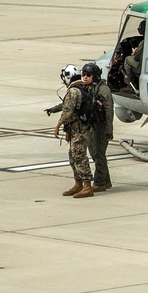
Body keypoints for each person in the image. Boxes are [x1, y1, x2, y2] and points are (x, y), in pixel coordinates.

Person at [53, 64, 97, 199]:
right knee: (73, 157)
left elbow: (68, 111)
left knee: (79, 156)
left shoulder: (73, 91)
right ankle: (78, 183)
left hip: (80, 129)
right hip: (76, 129)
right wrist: (53, 109)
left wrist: (58, 125)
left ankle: (87, 186)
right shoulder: (80, 89)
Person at [83, 62, 115, 192]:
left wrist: (109, 130)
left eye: (88, 75)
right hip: (92, 126)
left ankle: (100, 182)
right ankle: (106, 181)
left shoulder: (103, 90)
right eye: (84, 75)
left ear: (95, 76)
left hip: (101, 127)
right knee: (95, 153)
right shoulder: (88, 89)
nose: (85, 77)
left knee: (98, 154)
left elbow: (109, 111)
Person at [123, 20, 145, 92]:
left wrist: (134, 52)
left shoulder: (143, 42)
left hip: (142, 64)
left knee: (127, 59)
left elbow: (136, 57)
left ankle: (130, 85)